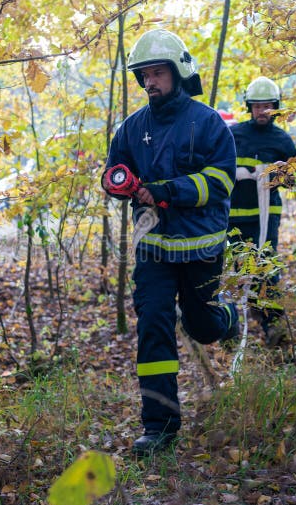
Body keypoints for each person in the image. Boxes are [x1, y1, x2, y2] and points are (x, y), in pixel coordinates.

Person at [101, 29, 239, 456]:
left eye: (158, 73)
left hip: (201, 246)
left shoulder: (209, 122)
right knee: (154, 329)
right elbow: (114, 173)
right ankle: (159, 426)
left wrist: (167, 191)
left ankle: (226, 319)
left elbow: (220, 181)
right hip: (153, 250)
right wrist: (119, 186)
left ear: (179, 74)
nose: (150, 83)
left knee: (201, 326)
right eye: (144, 75)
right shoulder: (130, 128)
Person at [227, 76, 296, 348]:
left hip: (266, 218)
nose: (262, 111)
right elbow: (217, 168)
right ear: (249, 107)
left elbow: (294, 179)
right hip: (234, 217)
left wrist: (278, 174)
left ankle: (274, 328)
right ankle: (231, 329)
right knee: (237, 271)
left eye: (267, 106)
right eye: (257, 106)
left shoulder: (282, 140)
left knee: (266, 269)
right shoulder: (233, 135)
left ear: (275, 107)